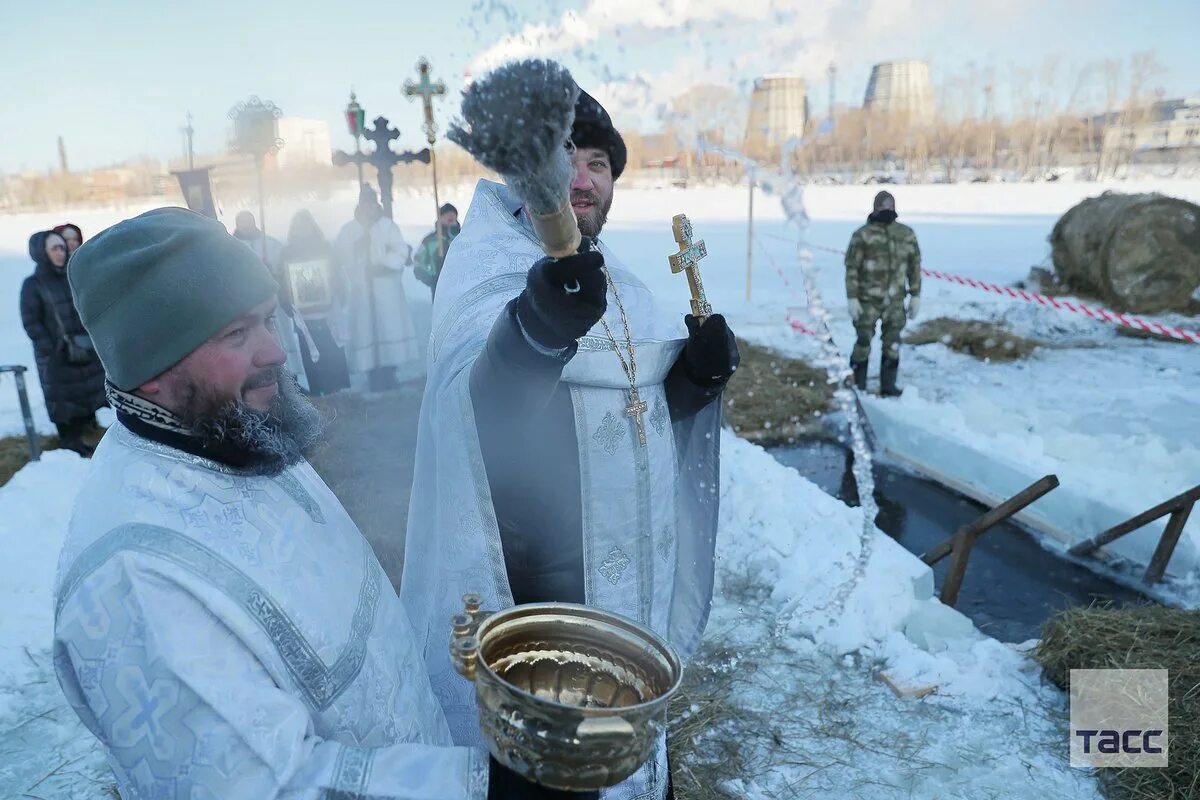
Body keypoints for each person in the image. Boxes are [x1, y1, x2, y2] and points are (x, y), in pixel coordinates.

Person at [53, 207, 489, 799]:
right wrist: (488, 788)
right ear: (150, 370)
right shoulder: (133, 579)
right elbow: (262, 786)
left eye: (267, 321)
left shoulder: (234, 428)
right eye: (236, 334)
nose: (275, 352)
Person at [402, 88, 737, 800]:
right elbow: (476, 414)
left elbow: (630, 421)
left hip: (620, 581)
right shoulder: (488, 262)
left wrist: (693, 385)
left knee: (622, 754)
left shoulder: (626, 286)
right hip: (531, 586)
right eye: (563, 158)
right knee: (549, 774)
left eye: (598, 162)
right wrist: (535, 327)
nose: (582, 179)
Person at [19, 230, 106, 456]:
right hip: (56, 356)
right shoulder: (33, 284)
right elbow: (31, 322)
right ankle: (70, 441)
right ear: (41, 253)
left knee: (84, 392)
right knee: (63, 398)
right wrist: (50, 349)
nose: (60, 252)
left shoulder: (72, 276)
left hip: (82, 348)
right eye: (54, 248)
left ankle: (87, 430)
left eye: (62, 248)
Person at [334, 185, 422, 391]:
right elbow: (340, 256)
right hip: (362, 289)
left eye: (372, 202)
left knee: (388, 327)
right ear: (360, 204)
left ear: (377, 204)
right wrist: (356, 247)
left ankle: (390, 372)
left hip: (386, 288)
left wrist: (382, 263)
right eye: (365, 202)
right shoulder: (349, 230)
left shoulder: (388, 226)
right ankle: (372, 373)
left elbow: (401, 251)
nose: (369, 207)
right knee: (366, 330)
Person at [844, 190, 921, 396]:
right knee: (863, 342)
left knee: (892, 343)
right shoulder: (863, 235)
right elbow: (852, 268)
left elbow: (914, 266)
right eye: (883, 206)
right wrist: (852, 298)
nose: (887, 209)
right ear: (875, 207)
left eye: (890, 206)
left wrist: (915, 295)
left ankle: (888, 386)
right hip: (867, 301)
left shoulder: (906, 234)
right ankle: (857, 386)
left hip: (895, 301)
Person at [280, 209, 351, 395]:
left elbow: (336, 274)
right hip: (303, 314)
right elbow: (282, 282)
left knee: (331, 350)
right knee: (311, 354)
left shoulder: (325, 248)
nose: (302, 230)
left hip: (327, 311)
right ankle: (318, 391)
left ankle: (336, 390)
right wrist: (289, 305)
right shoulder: (287, 253)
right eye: (298, 226)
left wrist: (338, 295)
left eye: (305, 226)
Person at [413, 202, 461, 299]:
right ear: (440, 218)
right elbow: (418, 262)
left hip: (461, 286)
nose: (450, 215)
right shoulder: (429, 241)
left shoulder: (464, 237)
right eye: (446, 214)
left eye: (453, 213)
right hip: (438, 288)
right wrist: (430, 278)